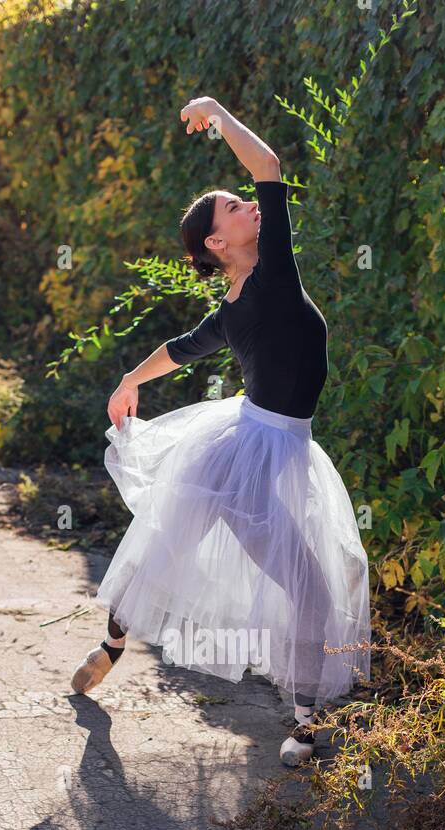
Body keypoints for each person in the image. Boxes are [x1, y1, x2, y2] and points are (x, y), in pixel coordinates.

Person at [72, 96, 370, 766]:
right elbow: (181, 346)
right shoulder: (258, 284)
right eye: (233, 207)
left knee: (307, 587)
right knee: (171, 552)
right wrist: (130, 380)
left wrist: (132, 380)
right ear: (217, 243)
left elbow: (180, 348)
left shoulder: (260, 284)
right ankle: (120, 647)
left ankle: (301, 721)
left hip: (271, 448)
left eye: (243, 200)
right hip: (244, 453)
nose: (248, 205)